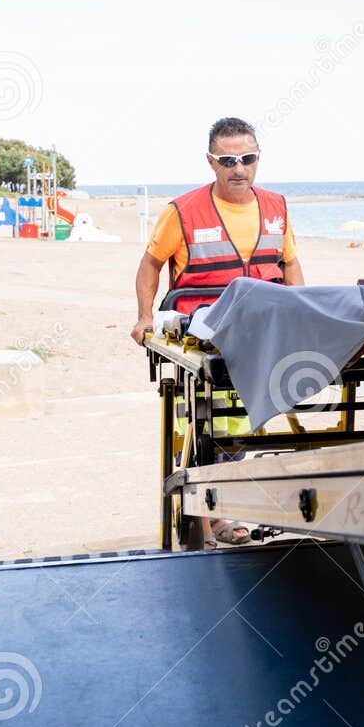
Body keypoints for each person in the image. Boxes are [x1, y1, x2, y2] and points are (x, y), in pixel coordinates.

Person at [130, 117, 305, 548]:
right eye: (228, 160)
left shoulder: (277, 207)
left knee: (237, 428)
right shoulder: (183, 211)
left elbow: (290, 264)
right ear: (212, 162)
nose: (238, 168)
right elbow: (151, 264)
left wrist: (303, 311)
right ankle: (207, 521)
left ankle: (218, 514)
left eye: (247, 158)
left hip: (260, 329)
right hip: (202, 330)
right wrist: (144, 316)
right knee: (202, 427)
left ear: (257, 159)